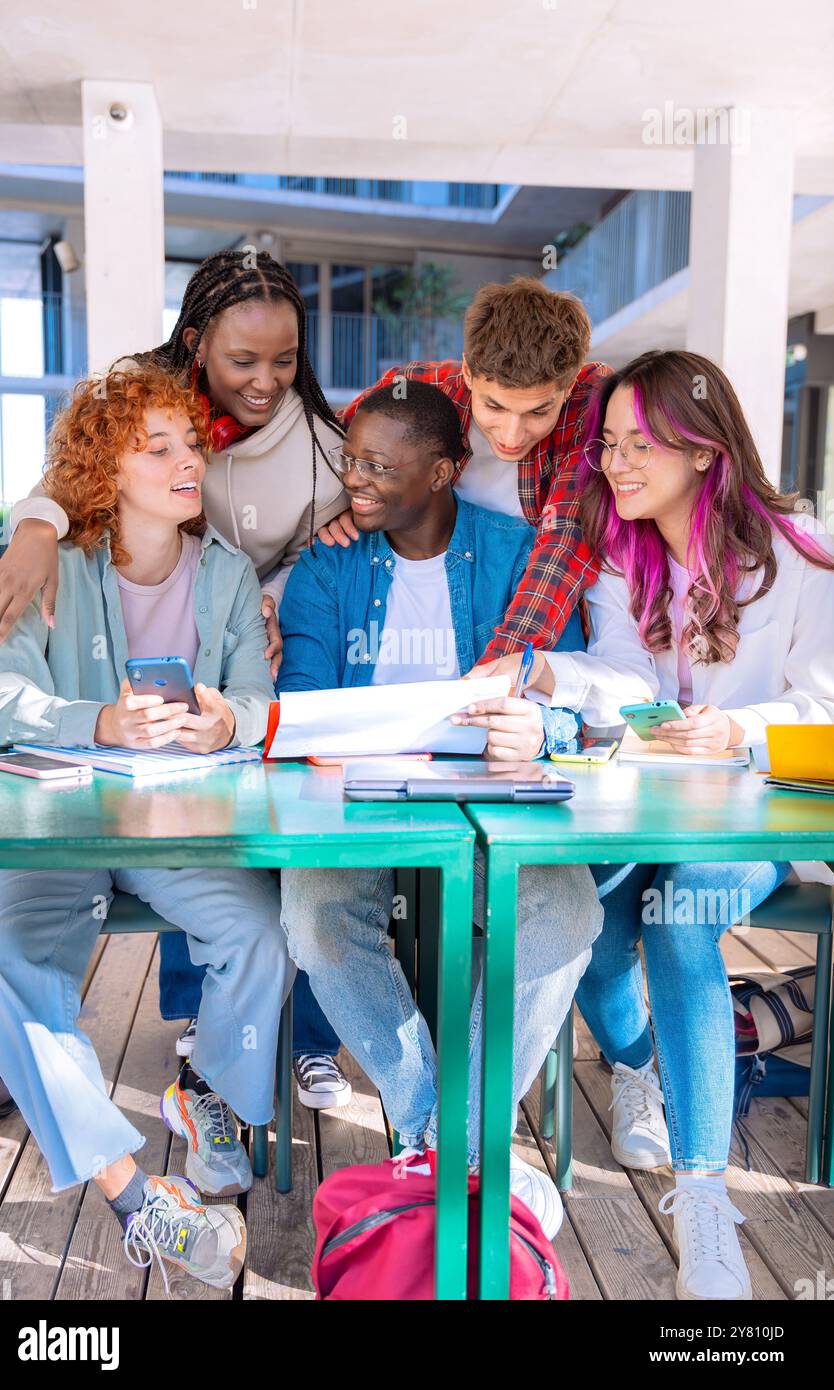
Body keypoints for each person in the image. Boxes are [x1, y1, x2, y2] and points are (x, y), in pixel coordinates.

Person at [475, 349, 834, 1300]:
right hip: (649, 803)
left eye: (640, 444)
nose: (616, 463)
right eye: (610, 444)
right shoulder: (622, 553)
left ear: (705, 451)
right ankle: (642, 1066)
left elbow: (826, 708)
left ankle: (707, 1203)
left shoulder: (800, 553)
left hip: (752, 816)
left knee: (678, 920)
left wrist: (736, 730)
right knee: (574, 908)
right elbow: (626, 677)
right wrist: (550, 672)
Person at [0, 248, 351, 1110]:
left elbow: (303, 586)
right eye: (242, 360)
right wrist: (36, 525)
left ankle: (222, 1082)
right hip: (76, 798)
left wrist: (264, 621)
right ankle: (86, 1102)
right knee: (8, 938)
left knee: (252, 912)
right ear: (196, 346)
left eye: (285, 360)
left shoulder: (303, 459)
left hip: (216, 683)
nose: (265, 381)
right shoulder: (123, 448)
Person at [0, 364, 298, 1291]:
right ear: (105, 471)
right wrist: (98, 722)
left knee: (260, 936)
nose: (188, 460)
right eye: (158, 449)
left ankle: (210, 1100)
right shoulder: (51, 563)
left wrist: (224, 720)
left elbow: (251, 695)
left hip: (176, 823)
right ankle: (132, 1195)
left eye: (190, 443)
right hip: (54, 825)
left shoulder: (228, 573)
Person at [278, 380, 603, 1239]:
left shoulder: (513, 554)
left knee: (566, 908)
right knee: (313, 913)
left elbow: (565, 695)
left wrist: (536, 724)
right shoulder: (328, 565)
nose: (356, 478)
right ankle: (450, 1140)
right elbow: (301, 700)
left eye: (381, 465)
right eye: (351, 460)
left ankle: (434, 1143)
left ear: (446, 471)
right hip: (357, 796)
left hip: (491, 793)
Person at [319, 276, 611, 662]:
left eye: (539, 411)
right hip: (417, 605)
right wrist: (335, 505)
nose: (512, 434)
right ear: (469, 373)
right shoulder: (419, 388)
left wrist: (501, 667)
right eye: (495, 407)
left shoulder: (590, 403)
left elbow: (563, 545)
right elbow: (328, 449)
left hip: (540, 622)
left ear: (568, 384)